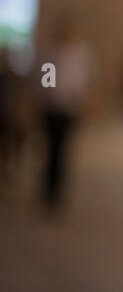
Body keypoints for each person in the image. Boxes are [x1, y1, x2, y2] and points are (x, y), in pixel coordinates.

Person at [37, 15, 94, 215]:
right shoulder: (52, 52)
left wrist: (78, 100)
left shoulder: (80, 55)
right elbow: (46, 81)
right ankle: (47, 192)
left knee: (63, 152)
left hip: (69, 109)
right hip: (51, 108)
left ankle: (58, 194)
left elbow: (84, 82)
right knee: (49, 150)